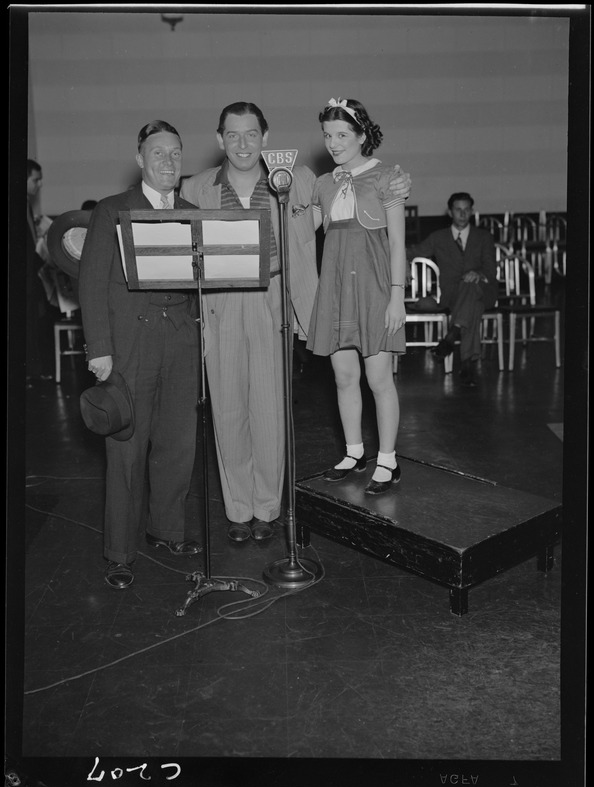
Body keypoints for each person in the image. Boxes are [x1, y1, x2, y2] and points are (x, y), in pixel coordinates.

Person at [181, 101, 412, 540]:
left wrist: (398, 184)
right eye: (233, 134)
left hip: (296, 296)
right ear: (219, 140)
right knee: (232, 409)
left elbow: (374, 217)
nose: (243, 143)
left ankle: (278, 505)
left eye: (252, 134)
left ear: (266, 138)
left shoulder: (304, 178)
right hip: (236, 303)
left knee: (276, 406)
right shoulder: (200, 187)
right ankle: (246, 505)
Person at [78, 120, 202, 589]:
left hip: (182, 341)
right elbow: (91, 284)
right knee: (126, 448)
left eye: (175, 153)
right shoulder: (111, 211)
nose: (168, 161)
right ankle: (120, 552)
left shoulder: (193, 212)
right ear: (140, 160)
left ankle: (166, 530)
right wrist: (100, 351)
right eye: (158, 154)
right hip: (129, 346)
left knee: (178, 443)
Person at [306, 97, 407, 496]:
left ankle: (388, 460)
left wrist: (396, 297)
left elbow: (398, 242)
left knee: (378, 379)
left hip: (375, 290)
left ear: (362, 135)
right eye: (328, 135)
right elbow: (302, 230)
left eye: (342, 134)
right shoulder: (323, 183)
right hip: (336, 291)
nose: (333, 143)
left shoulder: (387, 177)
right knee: (344, 376)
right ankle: (353, 452)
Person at [407, 192, 498, 387]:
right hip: (453, 296)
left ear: (472, 212)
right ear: (450, 212)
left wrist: (477, 273)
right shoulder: (438, 237)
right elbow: (412, 252)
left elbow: (491, 269)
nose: (463, 214)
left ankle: (452, 336)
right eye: (458, 210)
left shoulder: (484, 237)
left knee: (471, 287)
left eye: (467, 210)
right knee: (472, 306)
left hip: (483, 290)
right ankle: (467, 364)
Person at [26, 158, 57, 381]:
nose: (39, 185)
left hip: (32, 273)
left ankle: (35, 371)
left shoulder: (27, 204)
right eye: (35, 180)